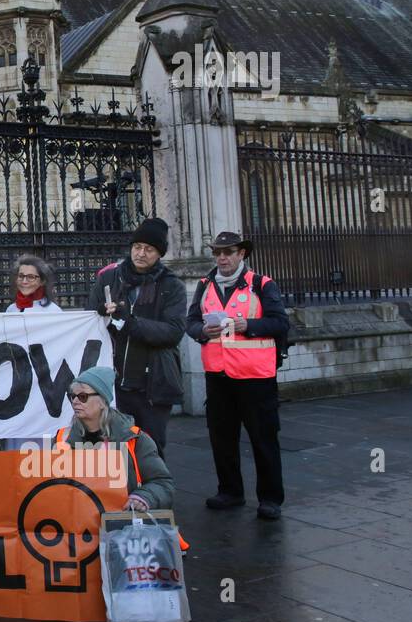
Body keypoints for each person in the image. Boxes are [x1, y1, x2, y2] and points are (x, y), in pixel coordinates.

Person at [185, 231, 290, 521]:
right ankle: (230, 491)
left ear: (241, 254)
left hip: (255, 375)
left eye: (228, 252)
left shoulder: (262, 284)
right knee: (222, 438)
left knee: (263, 438)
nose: (222, 258)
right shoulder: (205, 285)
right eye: (218, 252)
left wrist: (249, 324)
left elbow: (280, 323)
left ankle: (270, 498)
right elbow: (191, 321)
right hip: (218, 374)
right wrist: (201, 332)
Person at [86, 218, 185, 457]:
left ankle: (151, 493)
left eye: (149, 249)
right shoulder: (110, 278)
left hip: (153, 383)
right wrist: (100, 310)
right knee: (114, 448)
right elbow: (90, 316)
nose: (141, 253)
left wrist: (131, 323)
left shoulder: (171, 285)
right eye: (137, 247)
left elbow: (173, 331)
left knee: (150, 448)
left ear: (159, 253)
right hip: (115, 381)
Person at [52, 365, 176, 514]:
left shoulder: (135, 440)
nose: (75, 402)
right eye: (72, 396)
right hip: (76, 527)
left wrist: (143, 498)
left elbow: (162, 483)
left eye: (83, 397)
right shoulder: (61, 439)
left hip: (120, 527)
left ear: (102, 401)